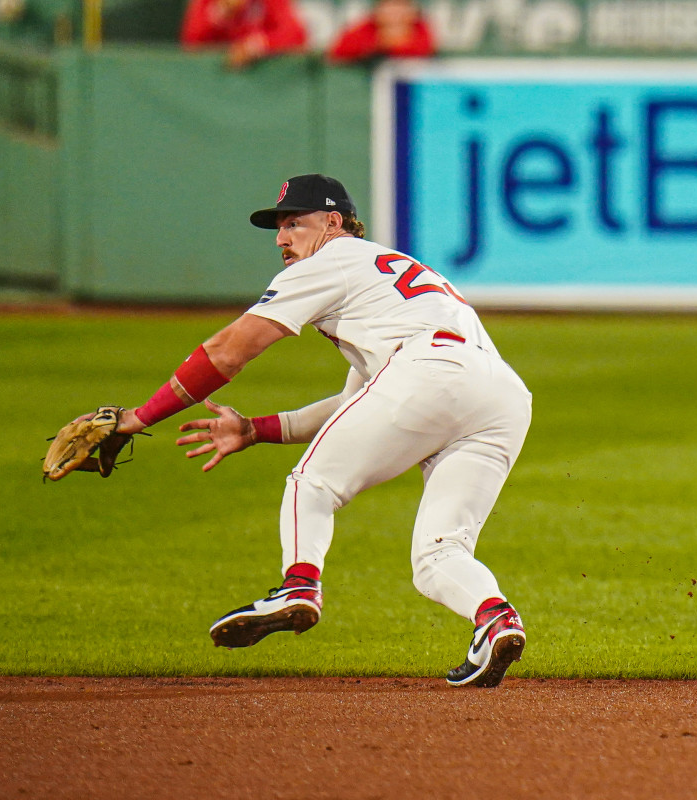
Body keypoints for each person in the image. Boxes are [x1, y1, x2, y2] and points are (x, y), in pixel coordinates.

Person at [111, 174, 532, 688]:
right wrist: (253, 429)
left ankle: (299, 587)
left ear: (334, 223)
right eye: (279, 226)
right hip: (502, 395)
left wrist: (140, 417)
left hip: (429, 372)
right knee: (439, 554)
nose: (281, 237)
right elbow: (357, 401)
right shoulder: (387, 277)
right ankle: (496, 620)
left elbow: (228, 351)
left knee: (312, 485)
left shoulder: (331, 259)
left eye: (294, 223)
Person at [180, 0, 308, 70]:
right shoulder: (208, 3)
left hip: (263, 82)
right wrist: (221, 13)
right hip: (219, 83)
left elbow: (296, 34)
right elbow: (191, 43)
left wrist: (254, 46)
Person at [327, 0, 436, 63]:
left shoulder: (420, 27)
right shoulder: (366, 28)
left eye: (400, 6)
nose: (394, 13)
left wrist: (389, 45)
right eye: (388, 6)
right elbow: (337, 53)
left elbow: (422, 50)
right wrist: (374, 47)